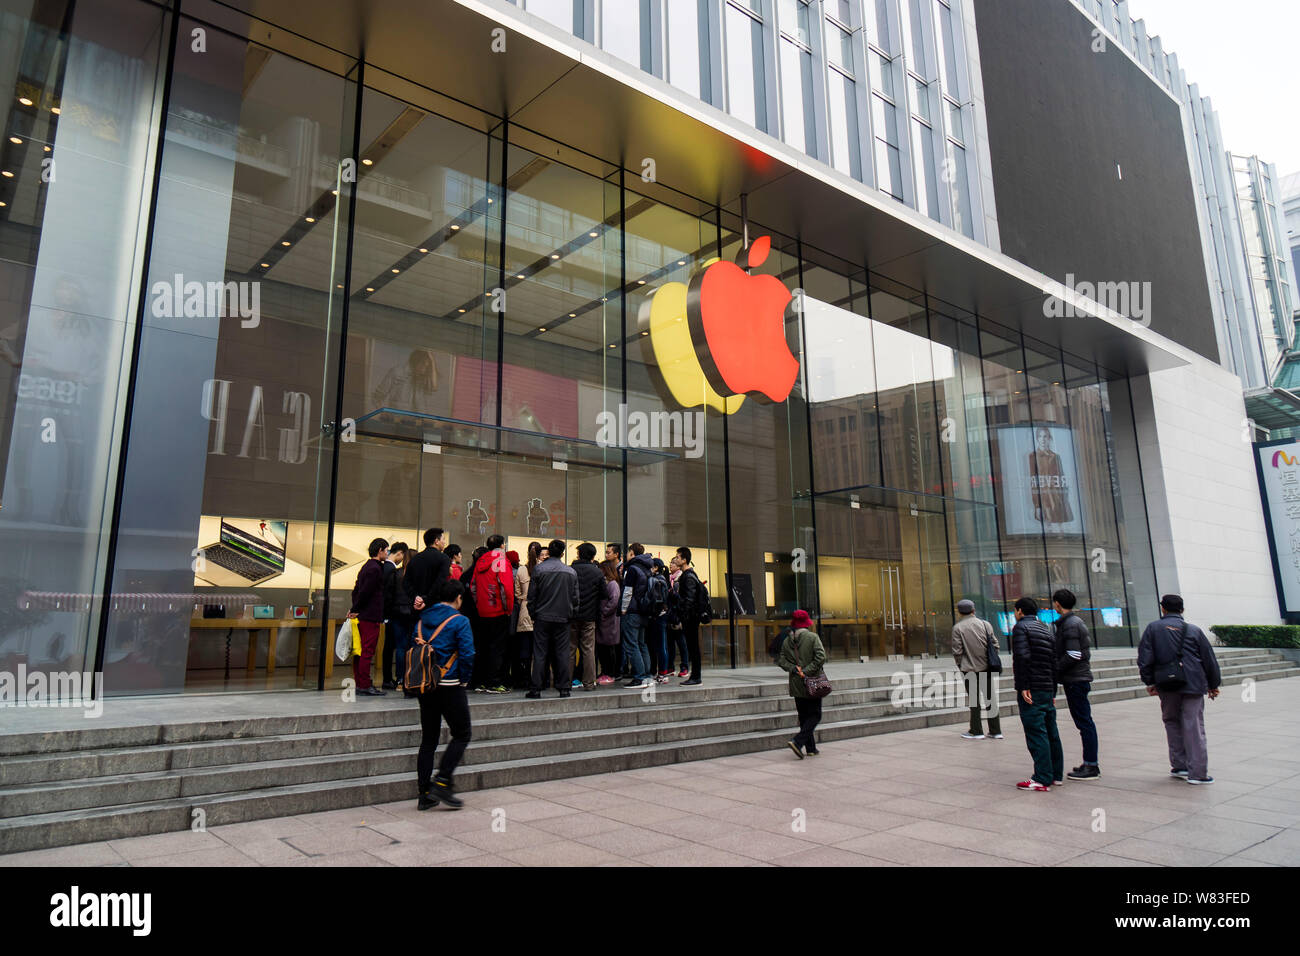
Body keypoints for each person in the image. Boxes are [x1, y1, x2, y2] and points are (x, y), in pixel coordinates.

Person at [1138, 594, 1222, 785]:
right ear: (1182, 610)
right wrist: (1213, 684)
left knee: (1171, 721)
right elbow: (1208, 659)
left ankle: (1180, 765)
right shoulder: (1194, 630)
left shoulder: (1153, 629)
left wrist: (1149, 682)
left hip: (1166, 683)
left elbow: (1144, 658)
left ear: (1163, 609)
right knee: (1193, 725)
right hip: (1193, 682)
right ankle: (1198, 773)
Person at [414, 579, 475, 810]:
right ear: (458, 598)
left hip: (425, 684)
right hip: (450, 683)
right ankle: (442, 779)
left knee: (428, 739)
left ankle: (424, 794)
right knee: (462, 733)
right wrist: (465, 678)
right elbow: (468, 653)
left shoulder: (421, 620)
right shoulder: (460, 621)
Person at [1010, 597, 1063, 791]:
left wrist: (1024, 685)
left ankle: (1041, 777)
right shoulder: (1045, 629)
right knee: (1051, 732)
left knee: (1036, 732)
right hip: (1047, 687)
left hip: (1033, 687)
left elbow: (1022, 657)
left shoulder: (1021, 628)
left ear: (1020, 611)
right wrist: (1053, 689)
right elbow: (1054, 662)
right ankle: (1055, 774)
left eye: (1015, 611)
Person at [1052, 588, 1098, 780]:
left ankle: (1091, 765)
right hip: (1077, 678)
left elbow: (1074, 654)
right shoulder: (1071, 622)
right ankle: (1089, 763)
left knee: (1084, 722)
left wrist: (1055, 669)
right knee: (1084, 722)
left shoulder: (1070, 624)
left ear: (1057, 604)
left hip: (1076, 679)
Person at [526, 539, 578, 698]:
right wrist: (572, 615)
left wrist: (533, 613)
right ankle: (564, 687)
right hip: (563, 617)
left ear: (549, 552)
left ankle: (536, 688)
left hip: (542, 616)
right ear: (562, 553)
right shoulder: (570, 572)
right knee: (562, 652)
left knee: (540, 653)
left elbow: (532, 596)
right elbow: (575, 598)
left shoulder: (539, 569)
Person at [777, 609, 826, 758]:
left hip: (796, 683)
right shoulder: (813, 637)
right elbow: (821, 657)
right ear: (806, 623)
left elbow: (781, 660)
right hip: (812, 682)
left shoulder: (787, 640)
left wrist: (794, 669)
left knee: (804, 716)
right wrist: (807, 670)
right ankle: (798, 742)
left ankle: (811, 748)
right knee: (815, 715)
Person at [469, 534, 515, 694]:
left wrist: (479, 604)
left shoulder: (481, 560)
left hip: (482, 610)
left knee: (482, 646)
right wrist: (508, 608)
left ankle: (481, 681)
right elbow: (506, 588)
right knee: (498, 648)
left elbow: (473, 586)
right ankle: (494, 682)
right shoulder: (501, 560)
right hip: (498, 611)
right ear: (502, 545)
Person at [951, 598, 1002, 739]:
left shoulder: (958, 628)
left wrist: (961, 665)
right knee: (990, 699)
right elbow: (995, 645)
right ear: (973, 610)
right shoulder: (985, 624)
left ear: (959, 612)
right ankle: (996, 730)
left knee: (974, 701)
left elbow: (957, 651)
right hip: (987, 667)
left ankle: (976, 730)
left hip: (969, 669)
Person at [348, 538, 389, 697]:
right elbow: (365, 592)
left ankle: (360, 682)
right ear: (379, 550)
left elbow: (356, 590)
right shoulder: (375, 569)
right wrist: (355, 608)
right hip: (370, 615)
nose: (387, 553)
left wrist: (355, 608)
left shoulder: (366, 566)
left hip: (364, 614)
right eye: (387, 550)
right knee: (367, 651)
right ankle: (364, 684)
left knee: (360, 651)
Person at [619, 543, 656, 689]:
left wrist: (623, 609)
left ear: (632, 553)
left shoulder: (632, 569)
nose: (626, 556)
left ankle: (639, 677)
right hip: (644, 611)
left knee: (631, 644)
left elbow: (628, 591)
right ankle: (647, 675)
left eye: (627, 553)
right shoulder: (648, 568)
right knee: (642, 644)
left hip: (632, 611)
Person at [570, 542, 603, 691]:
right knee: (588, 650)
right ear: (593, 556)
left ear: (578, 554)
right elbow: (605, 594)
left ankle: (566, 681)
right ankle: (589, 683)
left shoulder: (571, 570)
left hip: (572, 615)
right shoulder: (597, 572)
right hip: (590, 616)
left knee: (570, 649)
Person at [382, 541, 413, 691]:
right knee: (411, 647)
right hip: (411, 614)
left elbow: (388, 595)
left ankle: (400, 679)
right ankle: (409, 678)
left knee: (400, 647)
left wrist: (388, 613)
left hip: (397, 613)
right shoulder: (414, 576)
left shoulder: (396, 574)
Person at [403, 528, 450, 617]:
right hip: (435, 608)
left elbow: (406, 583)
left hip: (415, 608)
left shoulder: (414, 559)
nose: (444, 542)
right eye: (443, 539)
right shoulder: (444, 559)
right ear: (436, 541)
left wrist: (416, 597)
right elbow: (440, 583)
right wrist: (426, 600)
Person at [675, 547, 704, 684]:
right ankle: (695, 676)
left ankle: (696, 676)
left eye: (678, 557)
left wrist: (684, 617)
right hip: (690, 617)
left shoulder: (688, 576)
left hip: (691, 618)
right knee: (692, 647)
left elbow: (689, 599)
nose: (676, 559)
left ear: (685, 560)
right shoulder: (687, 575)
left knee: (693, 647)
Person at [514, 542, 541, 689]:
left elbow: (517, 592)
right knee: (538, 650)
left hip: (524, 611)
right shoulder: (543, 569)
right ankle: (537, 680)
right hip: (540, 612)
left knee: (524, 649)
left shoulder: (521, 570)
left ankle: (524, 679)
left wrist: (522, 600)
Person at [596, 559, 622, 684]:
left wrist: (604, 612)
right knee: (603, 648)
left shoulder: (612, 584)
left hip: (609, 621)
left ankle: (611, 672)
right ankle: (605, 671)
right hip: (604, 621)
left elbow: (614, 601)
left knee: (609, 649)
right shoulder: (606, 583)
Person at [665, 555, 690, 678]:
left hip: (679, 615)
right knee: (670, 644)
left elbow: (682, 600)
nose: (671, 565)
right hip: (670, 615)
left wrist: (680, 618)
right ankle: (670, 667)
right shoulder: (669, 579)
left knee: (681, 643)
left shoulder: (681, 579)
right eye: (670, 563)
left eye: (673, 563)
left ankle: (685, 667)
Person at [647, 558, 671, 683]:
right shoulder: (663, 579)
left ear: (655, 567)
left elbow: (657, 601)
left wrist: (653, 613)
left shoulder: (657, 580)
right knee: (660, 645)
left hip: (658, 616)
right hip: (661, 615)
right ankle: (660, 672)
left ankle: (662, 674)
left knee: (660, 646)